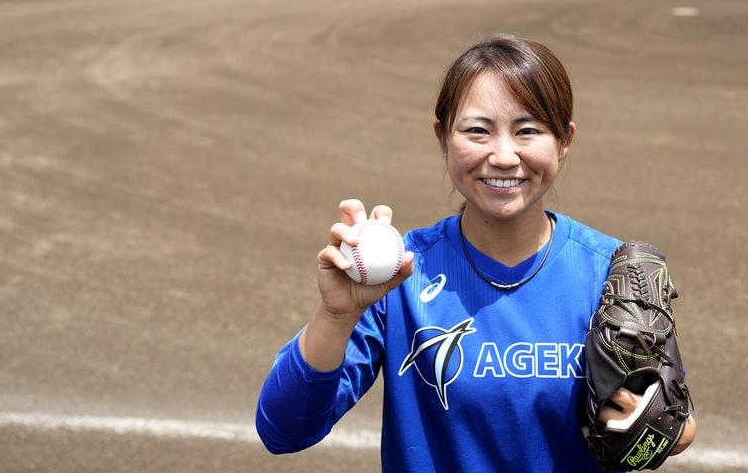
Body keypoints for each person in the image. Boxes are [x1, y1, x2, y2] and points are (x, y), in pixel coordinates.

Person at [256, 33, 696, 472]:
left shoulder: (612, 273)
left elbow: (676, 421)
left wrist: (655, 426)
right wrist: (336, 316)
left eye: (528, 130)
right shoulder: (399, 277)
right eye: (477, 131)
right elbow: (283, 431)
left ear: (564, 141)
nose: (504, 156)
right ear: (442, 137)